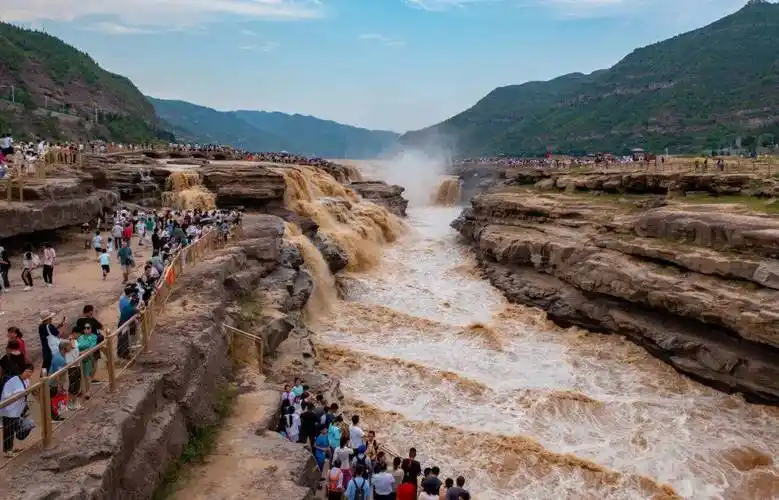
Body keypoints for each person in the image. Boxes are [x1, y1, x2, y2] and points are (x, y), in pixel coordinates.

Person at [0, 363, 33, 458]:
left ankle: (11, 448)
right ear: (22, 371)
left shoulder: (27, 381)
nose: (29, 374)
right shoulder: (12, 381)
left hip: (19, 409)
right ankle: (7, 451)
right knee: (8, 431)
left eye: (31, 372)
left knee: (27, 425)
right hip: (9, 410)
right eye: (27, 371)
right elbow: (6, 396)